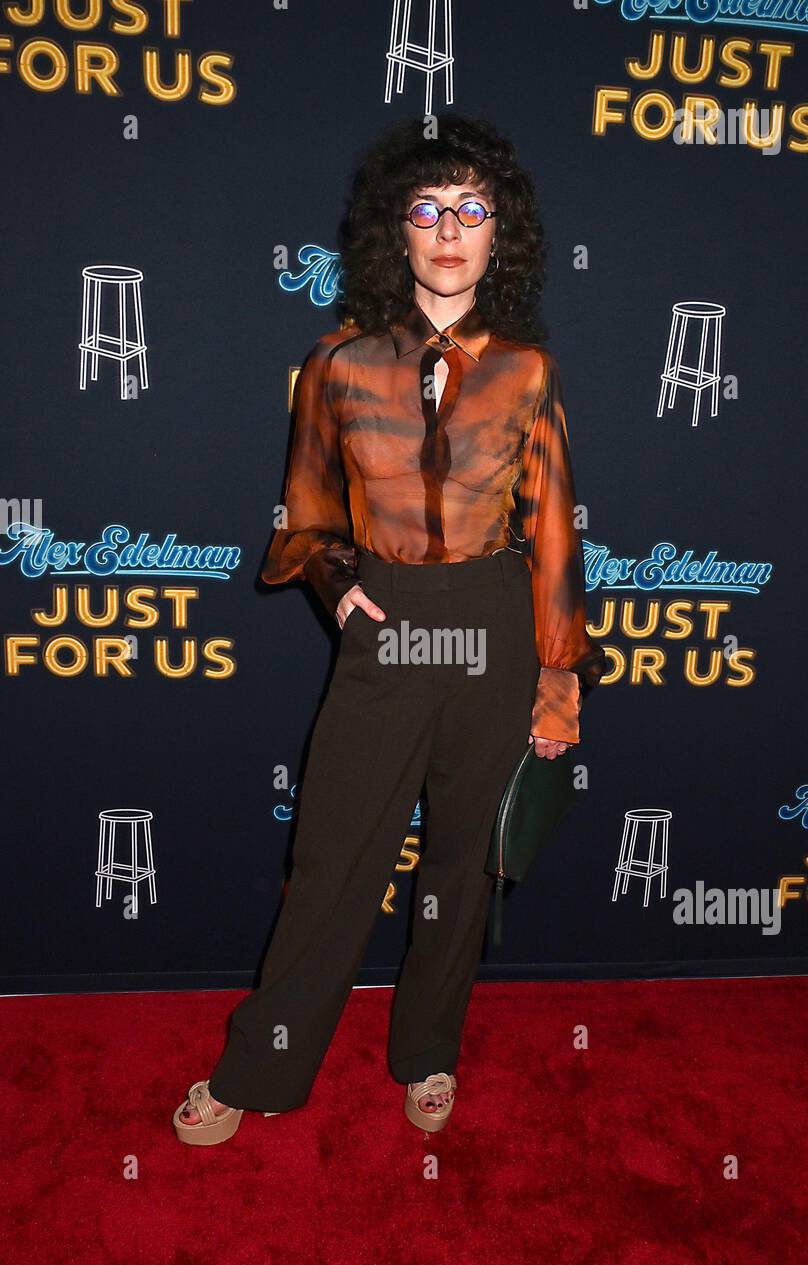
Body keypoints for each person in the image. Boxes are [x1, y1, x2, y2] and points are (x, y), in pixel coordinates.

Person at [173, 114, 608, 1146]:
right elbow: (308, 514)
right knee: (333, 858)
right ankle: (261, 1064)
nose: (449, 228)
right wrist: (340, 587)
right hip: (394, 628)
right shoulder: (337, 363)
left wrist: (557, 685)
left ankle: (428, 1053)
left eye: (472, 209)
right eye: (427, 209)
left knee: (458, 863)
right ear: (394, 233)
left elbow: (553, 538)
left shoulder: (529, 370)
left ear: (500, 235)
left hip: (496, 624)